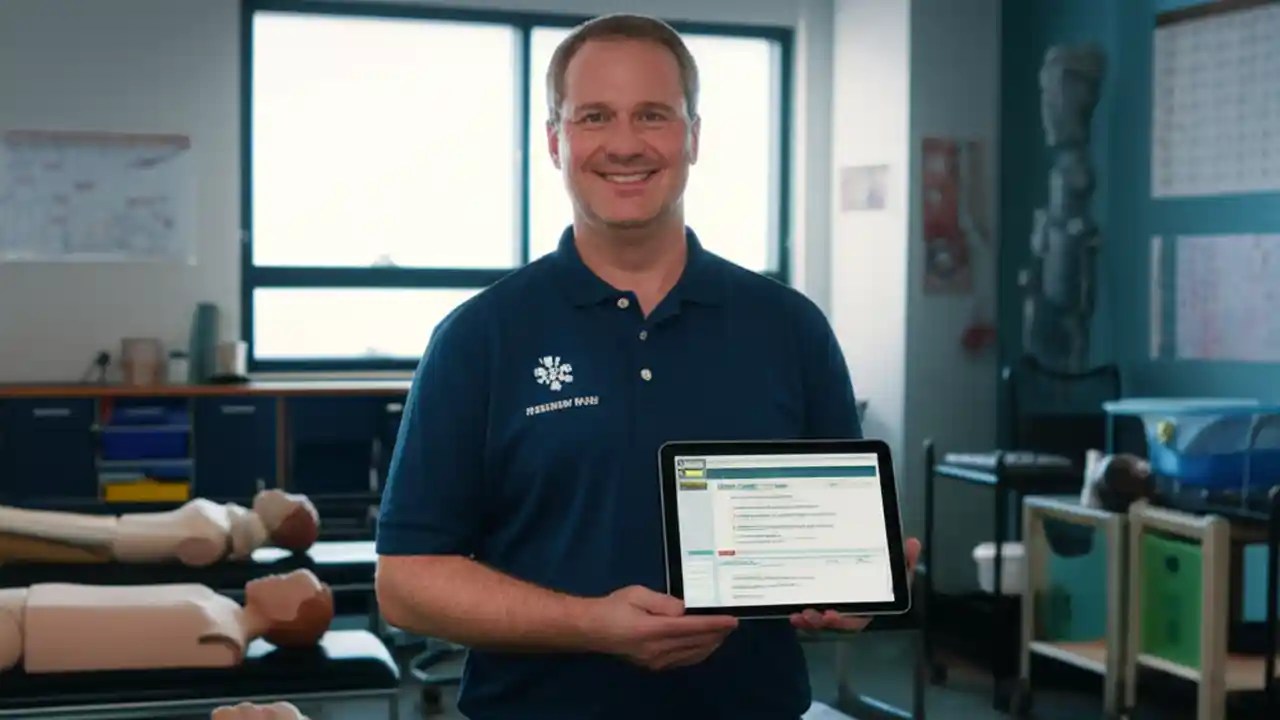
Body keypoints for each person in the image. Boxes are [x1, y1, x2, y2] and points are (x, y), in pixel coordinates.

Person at [375, 13, 920, 719]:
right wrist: (589, 625)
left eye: (653, 115)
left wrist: (856, 591)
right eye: (595, 116)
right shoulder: (478, 338)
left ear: (693, 136)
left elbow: (833, 553)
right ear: (555, 140)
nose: (625, 144)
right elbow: (407, 583)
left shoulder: (790, 328)